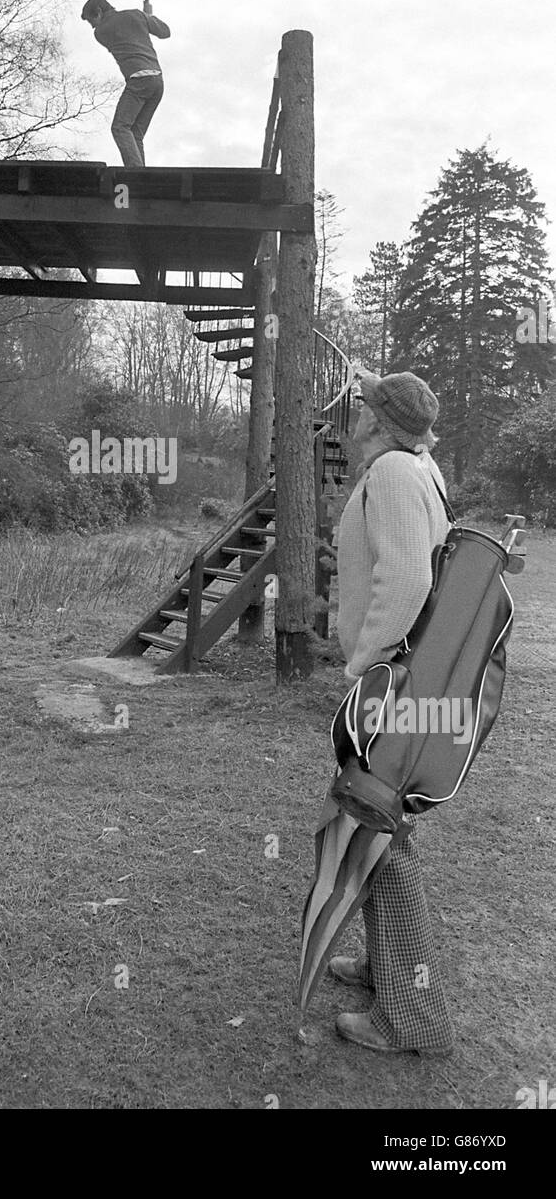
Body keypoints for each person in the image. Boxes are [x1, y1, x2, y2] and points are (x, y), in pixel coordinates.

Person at [329, 369, 455, 1056]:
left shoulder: (393, 475)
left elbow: (409, 578)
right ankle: (387, 975)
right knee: (378, 835)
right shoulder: (418, 468)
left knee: (386, 840)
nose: (350, 418)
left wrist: (364, 667)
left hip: (394, 685)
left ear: (377, 423)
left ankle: (413, 1021)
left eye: (360, 409)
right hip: (408, 679)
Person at [81, 0, 170, 167]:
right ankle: (141, 174)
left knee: (120, 128)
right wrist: (148, 16)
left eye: (92, 21)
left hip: (139, 81)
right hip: (157, 83)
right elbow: (165, 32)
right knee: (135, 132)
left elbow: (118, 29)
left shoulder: (100, 33)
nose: (92, 26)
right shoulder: (137, 15)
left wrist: (144, 17)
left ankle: (136, 176)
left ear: (99, 12)